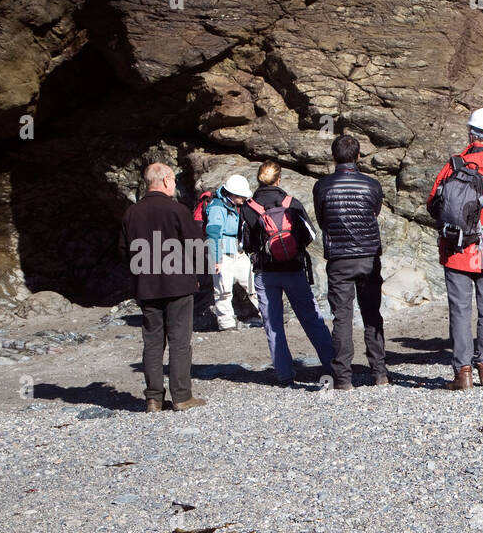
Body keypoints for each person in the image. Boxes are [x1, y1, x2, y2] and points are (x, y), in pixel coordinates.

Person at [428, 107, 483, 390]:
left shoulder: (454, 165)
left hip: (457, 248)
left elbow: (434, 205)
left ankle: (462, 372)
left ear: (471, 133)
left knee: (460, 310)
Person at [119, 163, 206, 411]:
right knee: (179, 341)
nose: (176, 184)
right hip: (178, 284)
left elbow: (124, 251)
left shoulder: (131, 213)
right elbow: (196, 244)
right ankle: (181, 397)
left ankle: (154, 399)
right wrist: (198, 272)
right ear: (166, 181)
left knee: (153, 342)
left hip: (146, 286)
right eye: (175, 180)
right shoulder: (177, 210)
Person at [241, 160, 334, 386]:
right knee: (311, 318)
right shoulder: (292, 204)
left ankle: (285, 375)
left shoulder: (248, 208)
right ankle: (333, 365)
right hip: (294, 269)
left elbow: (244, 243)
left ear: (258, 179)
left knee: (273, 324)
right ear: (279, 179)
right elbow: (310, 234)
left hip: (265, 273)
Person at [312, 134, 387, 390]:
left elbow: (322, 221)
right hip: (368, 256)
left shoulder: (322, 186)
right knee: (372, 314)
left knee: (342, 318)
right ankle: (379, 373)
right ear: (357, 156)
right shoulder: (371, 185)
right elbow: (374, 213)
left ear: (334, 158)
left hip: (339, 258)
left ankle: (344, 378)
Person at [204, 173, 260, 331]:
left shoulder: (237, 205)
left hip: (239, 252)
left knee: (254, 285)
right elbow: (213, 234)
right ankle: (226, 324)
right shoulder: (216, 207)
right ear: (232, 194)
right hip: (222, 255)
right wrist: (215, 259)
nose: (244, 199)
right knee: (223, 291)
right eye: (242, 196)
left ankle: (268, 315)